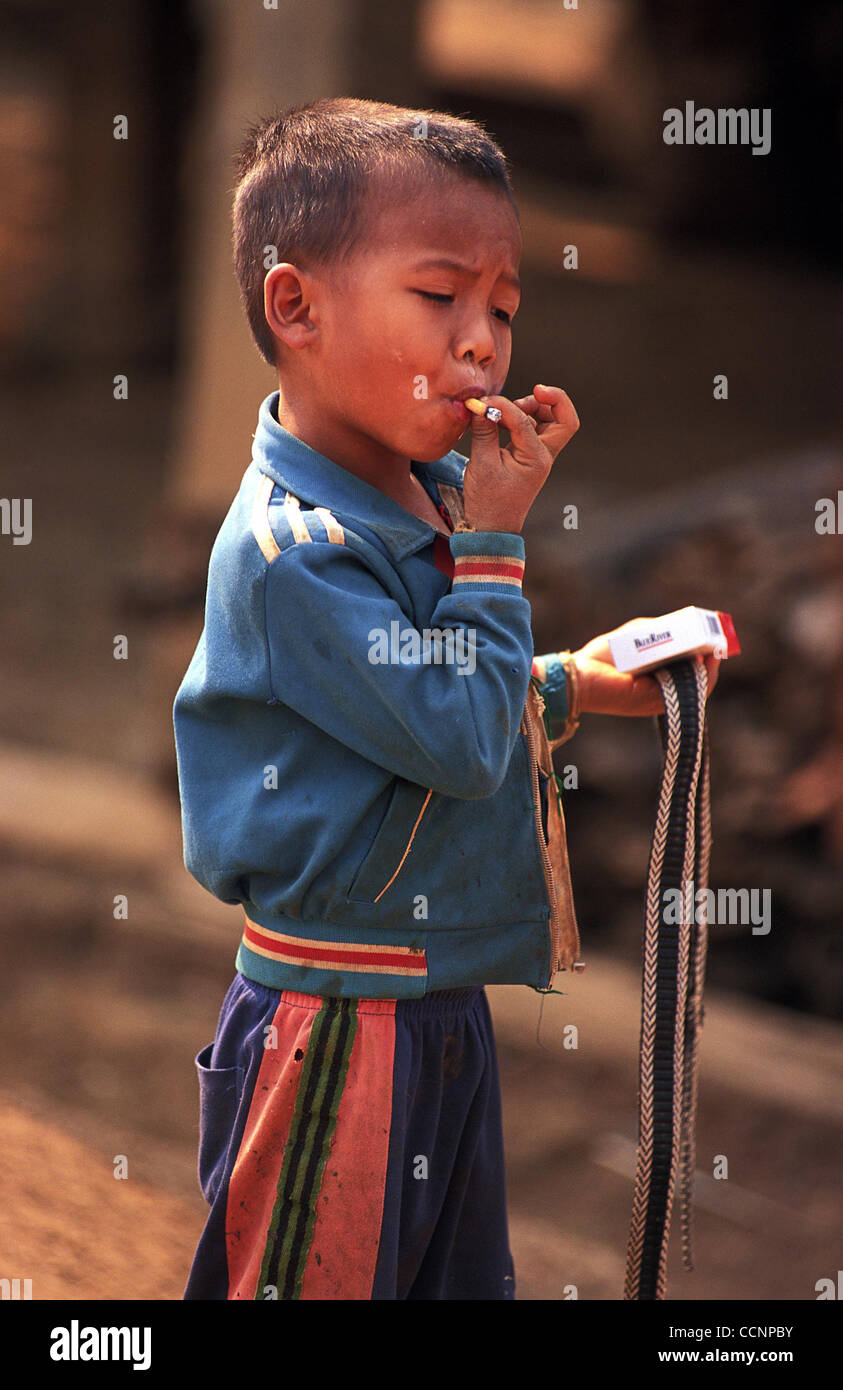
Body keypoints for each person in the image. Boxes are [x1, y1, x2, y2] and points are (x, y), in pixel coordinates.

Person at [173, 96, 720, 1300]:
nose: (481, 343)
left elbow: (430, 718)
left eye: (503, 310)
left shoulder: (414, 501)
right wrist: (495, 543)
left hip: (435, 1009)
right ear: (295, 307)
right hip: (336, 1028)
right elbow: (463, 741)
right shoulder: (297, 553)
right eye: (439, 297)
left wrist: (587, 679)